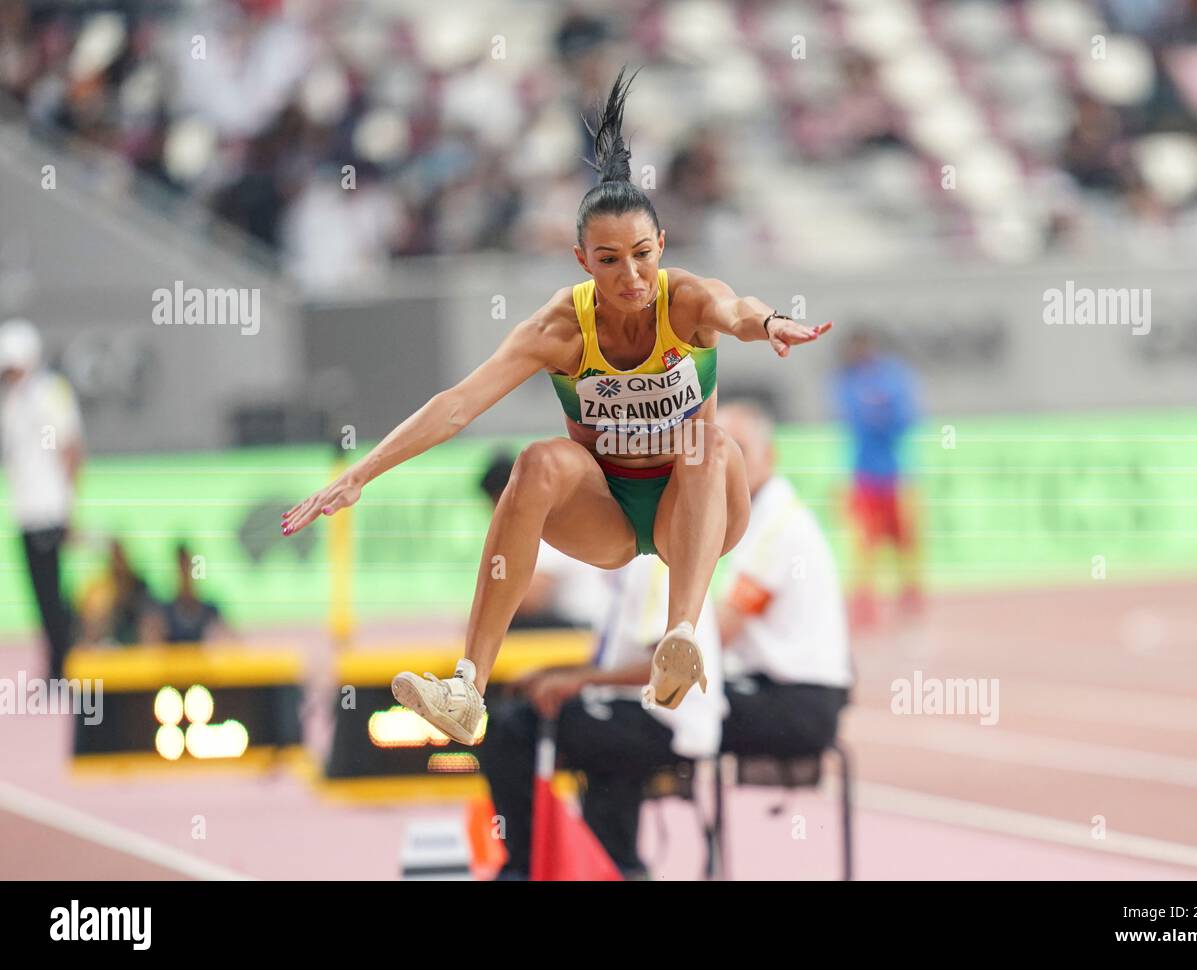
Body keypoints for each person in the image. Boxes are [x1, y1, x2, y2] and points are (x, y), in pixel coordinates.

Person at [281, 67, 832, 745]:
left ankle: (680, 635)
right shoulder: (559, 330)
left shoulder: (686, 300)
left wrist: (769, 321)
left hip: (696, 508)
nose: (629, 277)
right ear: (581, 260)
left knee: (709, 443)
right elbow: (456, 406)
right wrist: (359, 474)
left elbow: (737, 309)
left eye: (640, 256)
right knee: (538, 461)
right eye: (608, 260)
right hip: (608, 516)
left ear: (660, 247)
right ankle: (466, 688)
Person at [478, 552, 727, 879]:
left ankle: (528, 864)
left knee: (517, 726)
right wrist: (550, 674)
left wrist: (578, 680)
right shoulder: (624, 572)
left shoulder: (655, 567)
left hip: (672, 722)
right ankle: (612, 861)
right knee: (536, 719)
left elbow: (668, 667)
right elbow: (612, 666)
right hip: (640, 711)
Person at [711, 402, 853, 755]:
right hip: (785, 692)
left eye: (739, 450)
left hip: (795, 703)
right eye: (717, 450)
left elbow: (723, 630)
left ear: (770, 456)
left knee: (660, 707)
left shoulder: (775, 527)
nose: (727, 462)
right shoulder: (762, 516)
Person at [0, 318, 83, 678]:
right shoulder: (10, 402)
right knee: (41, 594)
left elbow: (70, 449)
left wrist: (68, 507)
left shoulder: (51, 391)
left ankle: (65, 665)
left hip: (50, 510)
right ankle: (56, 662)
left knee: (54, 594)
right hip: (26, 512)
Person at [831, 327, 922, 627]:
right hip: (863, 477)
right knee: (865, 544)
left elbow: (906, 417)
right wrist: (877, 410)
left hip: (896, 475)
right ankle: (865, 605)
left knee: (905, 541)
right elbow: (856, 418)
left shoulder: (894, 376)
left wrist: (880, 412)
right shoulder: (847, 382)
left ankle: (909, 597)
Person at [478, 450, 610, 630]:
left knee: (500, 624)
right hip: (583, 621)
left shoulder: (545, 526)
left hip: (583, 626)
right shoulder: (559, 515)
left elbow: (528, 600)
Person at [75, 538, 164, 647]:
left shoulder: (140, 588)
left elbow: (151, 620)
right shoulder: (104, 590)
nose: (118, 565)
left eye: (120, 558)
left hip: (138, 645)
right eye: (114, 559)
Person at [159, 542, 233, 643]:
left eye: (189, 567)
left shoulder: (211, 611)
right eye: (182, 567)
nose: (186, 573)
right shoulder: (164, 614)